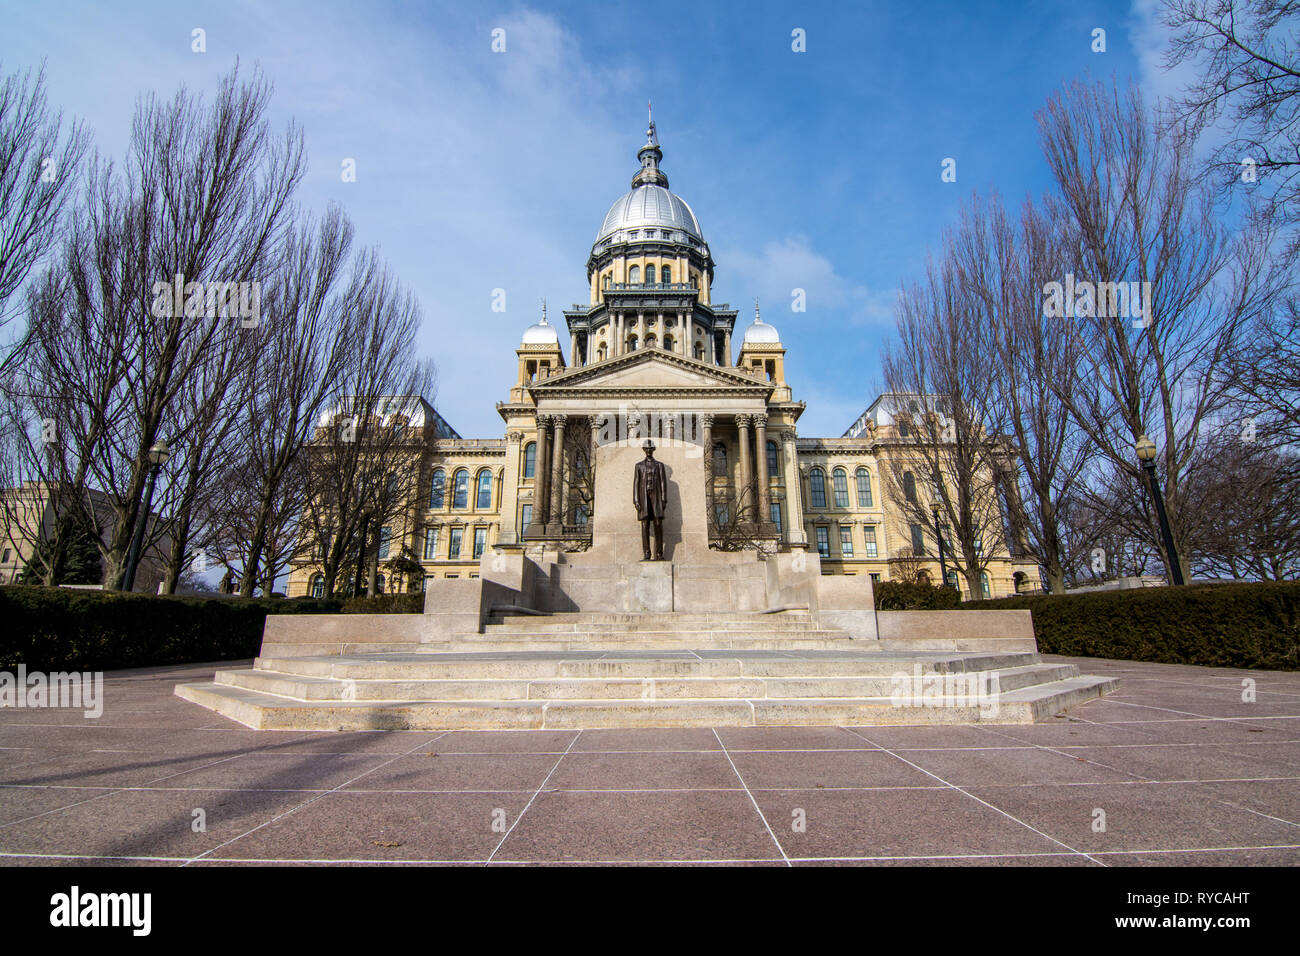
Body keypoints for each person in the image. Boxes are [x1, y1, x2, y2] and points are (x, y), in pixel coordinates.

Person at [632, 439, 667, 560]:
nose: (648, 451)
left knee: (658, 523)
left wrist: (663, 500)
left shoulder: (659, 465)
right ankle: (647, 553)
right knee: (645, 524)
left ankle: (659, 553)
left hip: (656, 496)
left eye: (650, 449)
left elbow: (663, 483)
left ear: (653, 450)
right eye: (646, 449)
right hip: (643, 497)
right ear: (644, 450)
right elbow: (636, 483)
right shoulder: (639, 466)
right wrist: (636, 500)